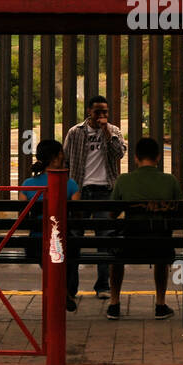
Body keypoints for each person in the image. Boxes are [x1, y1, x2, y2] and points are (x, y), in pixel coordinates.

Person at [105, 137, 181, 321]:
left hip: (130, 244)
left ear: (136, 158)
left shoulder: (124, 180)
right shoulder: (170, 181)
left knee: (116, 254)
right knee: (161, 249)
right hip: (161, 245)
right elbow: (179, 215)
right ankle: (160, 304)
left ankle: (114, 303)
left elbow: (112, 214)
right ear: (158, 157)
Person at [63, 95, 126, 299]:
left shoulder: (114, 131)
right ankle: (71, 288)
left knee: (104, 238)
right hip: (80, 191)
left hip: (105, 190)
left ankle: (103, 286)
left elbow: (119, 154)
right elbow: (65, 160)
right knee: (74, 239)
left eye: (105, 112)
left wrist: (107, 131)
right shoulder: (75, 132)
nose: (102, 115)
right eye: (98, 111)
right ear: (88, 111)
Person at [20, 139, 82, 313]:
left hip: (36, 245)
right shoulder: (70, 184)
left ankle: (60, 290)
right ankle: (64, 291)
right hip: (63, 244)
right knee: (71, 248)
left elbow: (22, 217)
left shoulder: (27, 185)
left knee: (50, 253)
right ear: (57, 157)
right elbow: (77, 216)